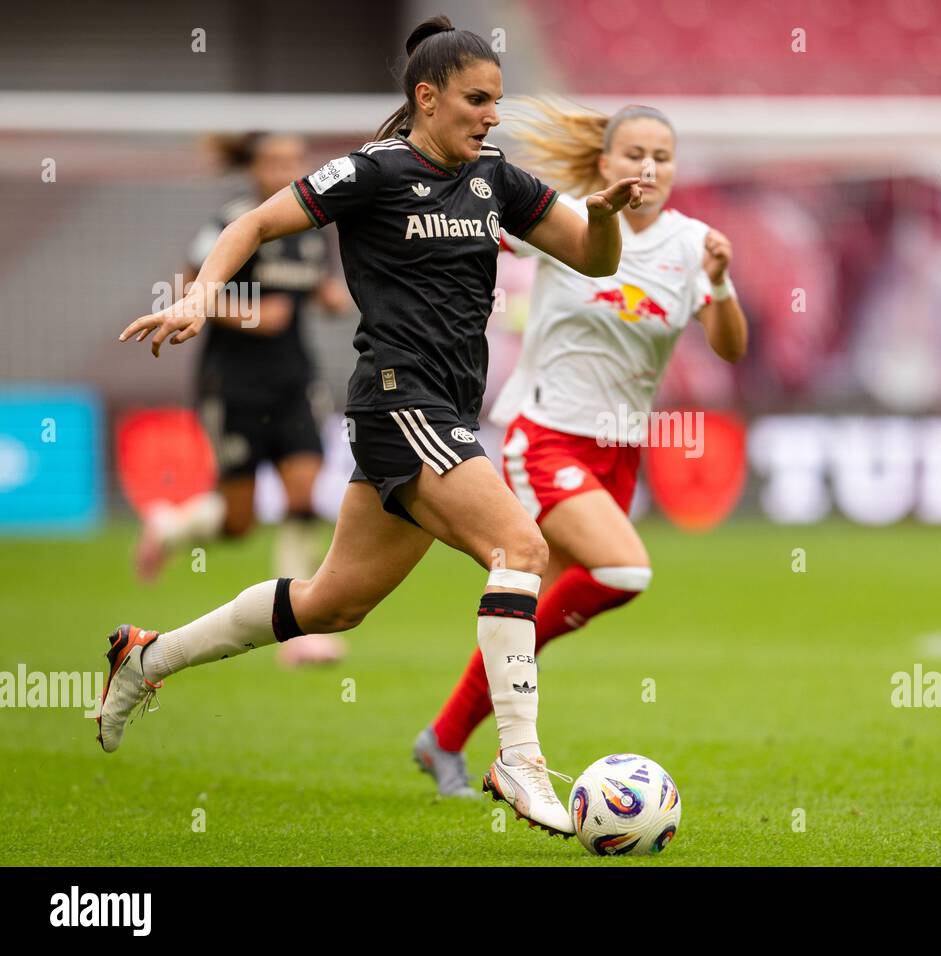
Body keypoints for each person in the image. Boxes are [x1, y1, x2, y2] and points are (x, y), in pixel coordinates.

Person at [101, 14, 644, 837]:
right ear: (427, 99)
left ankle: (147, 656)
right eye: (476, 100)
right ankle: (521, 760)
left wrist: (602, 213)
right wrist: (202, 293)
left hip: (444, 412)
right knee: (522, 550)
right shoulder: (372, 171)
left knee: (331, 605)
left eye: (497, 101)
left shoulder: (497, 179)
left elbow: (597, 258)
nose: (492, 116)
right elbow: (253, 224)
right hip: (401, 402)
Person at [413, 99, 748, 797]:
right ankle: (501, 753)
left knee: (527, 614)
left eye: (662, 156)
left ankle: (443, 740)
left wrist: (718, 284)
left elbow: (731, 347)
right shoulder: (567, 219)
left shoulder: (693, 246)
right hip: (544, 436)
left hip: (618, 452)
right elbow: (472, 228)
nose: (648, 167)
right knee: (625, 571)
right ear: (605, 163)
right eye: (634, 154)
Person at [134, 131, 352, 667]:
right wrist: (250, 315)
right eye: (273, 160)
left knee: (304, 493)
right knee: (239, 522)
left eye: (292, 159)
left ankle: (297, 634)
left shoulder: (310, 226)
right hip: (232, 383)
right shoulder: (233, 222)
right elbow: (189, 289)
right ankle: (169, 524)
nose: (284, 168)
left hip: (294, 380)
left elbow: (317, 288)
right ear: (252, 168)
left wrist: (330, 298)